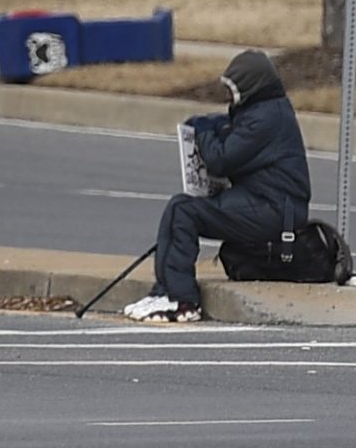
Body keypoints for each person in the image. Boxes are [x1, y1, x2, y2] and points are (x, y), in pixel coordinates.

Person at [124, 50, 310, 323]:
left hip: (274, 211)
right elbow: (232, 130)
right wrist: (208, 124)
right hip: (264, 201)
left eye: (232, 90)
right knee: (180, 207)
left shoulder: (266, 119)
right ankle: (164, 290)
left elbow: (220, 161)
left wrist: (202, 133)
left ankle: (183, 301)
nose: (228, 96)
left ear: (251, 87)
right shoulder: (263, 110)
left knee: (185, 211)